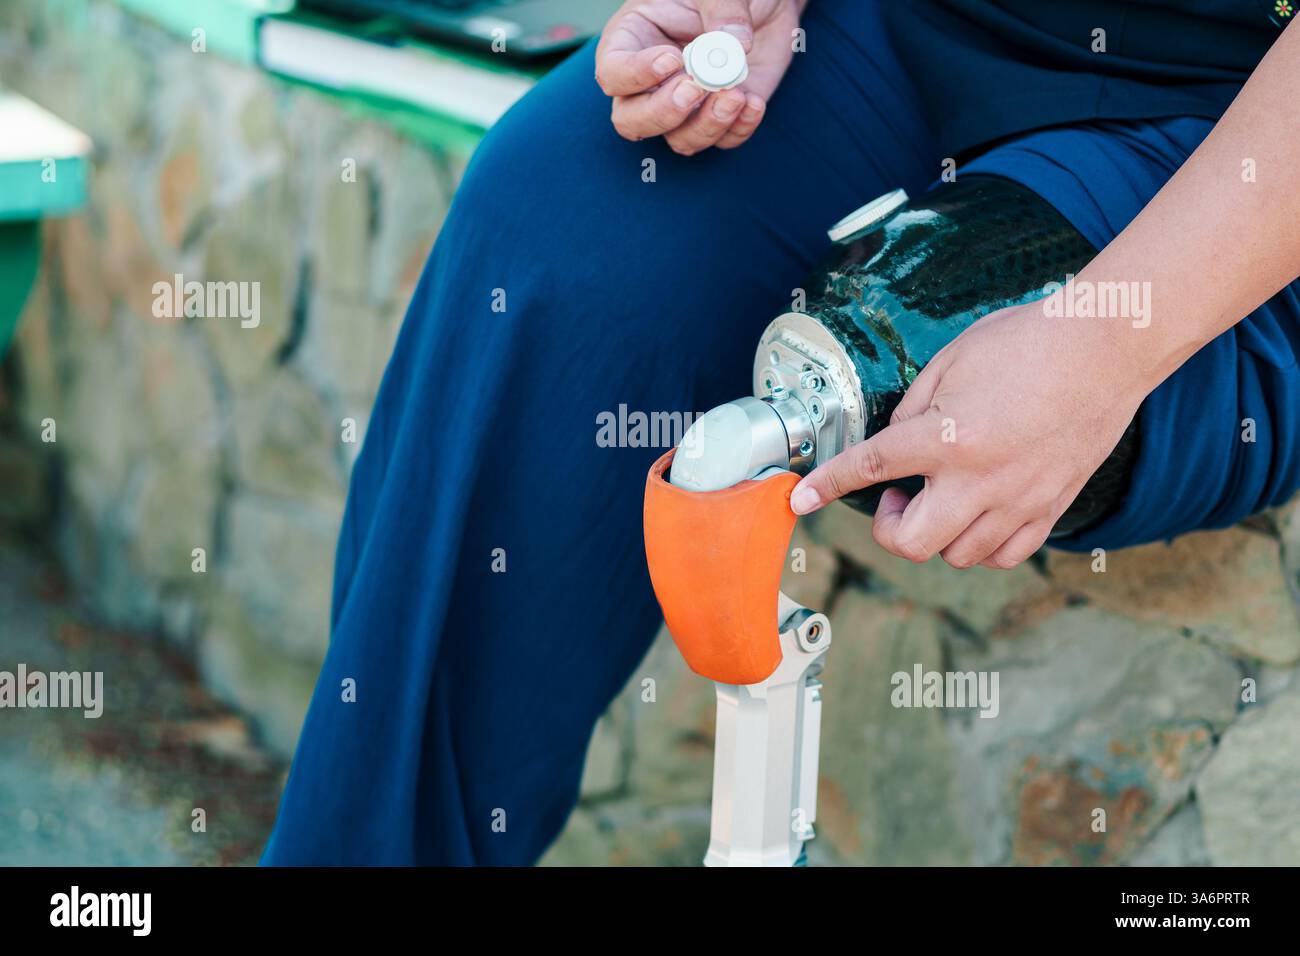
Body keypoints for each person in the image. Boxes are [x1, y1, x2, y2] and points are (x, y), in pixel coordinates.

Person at [262, 0, 1300, 864]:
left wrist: (1105, 345)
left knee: (903, 344)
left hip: (1229, 129)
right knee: (553, 229)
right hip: (917, 25)